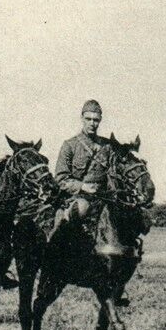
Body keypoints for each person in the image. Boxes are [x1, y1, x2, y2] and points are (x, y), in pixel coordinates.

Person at [48, 99, 109, 240]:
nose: (92, 123)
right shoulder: (70, 145)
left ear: (100, 120)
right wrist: (83, 187)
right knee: (81, 208)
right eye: (88, 119)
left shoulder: (108, 146)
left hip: (104, 197)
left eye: (96, 120)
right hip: (76, 198)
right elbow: (61, 179)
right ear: (82, 118)